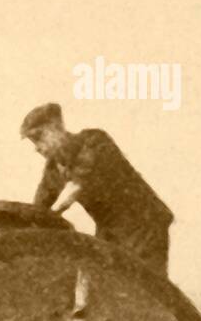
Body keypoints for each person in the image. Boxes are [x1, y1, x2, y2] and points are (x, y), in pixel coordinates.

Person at [21, 103, 173, 275]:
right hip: (110, 230)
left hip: (144, 225)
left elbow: (75, 188)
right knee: (103, 283)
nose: (37, 148)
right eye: (33, 142)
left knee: (147, 288)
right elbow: (37, 210)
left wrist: (51, 216)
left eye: (39, 137)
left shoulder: (94, 141)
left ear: (58, 127)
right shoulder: (53, 170)